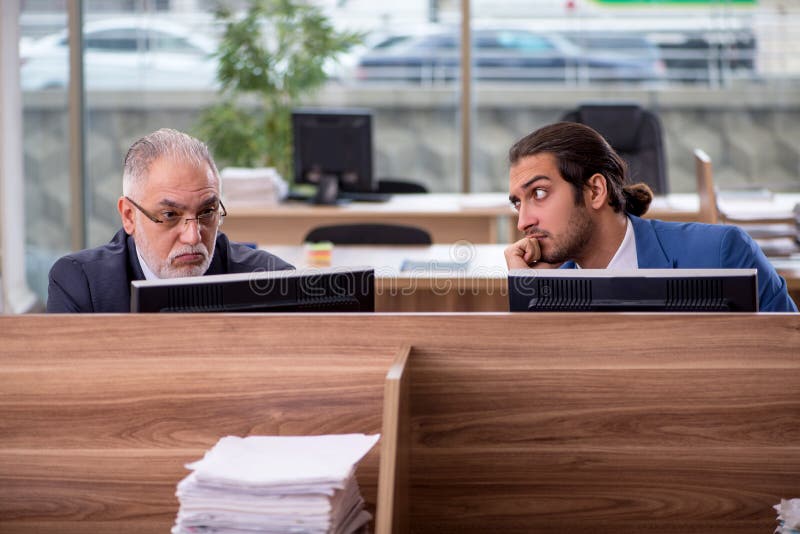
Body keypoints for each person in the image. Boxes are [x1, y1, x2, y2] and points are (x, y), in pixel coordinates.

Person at [504, 121, 797, 312]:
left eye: (539, 193)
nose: (523, 222)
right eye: (518, 203)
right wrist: (534, 296)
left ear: (595, 191)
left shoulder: (721, 254)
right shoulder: (552, 292)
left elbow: (788, 361)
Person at [47, 128, 293, 313]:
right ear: (129, 216)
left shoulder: (270, 280)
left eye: (207, 212)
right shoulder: (81, 284)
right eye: (170, 215)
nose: (193, 236)